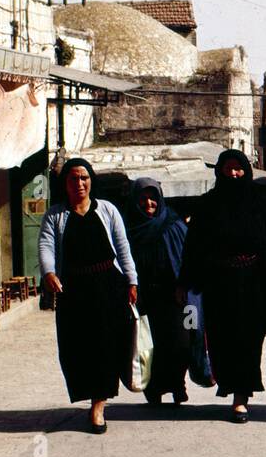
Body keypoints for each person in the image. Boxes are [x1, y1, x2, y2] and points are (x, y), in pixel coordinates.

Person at [179, 149, 266, 423]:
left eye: (238, 168)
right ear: (219, 171)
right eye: (227, 168)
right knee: (222, 340)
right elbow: (192, 247)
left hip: (254, 284)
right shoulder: (207, 205)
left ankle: (241, 397)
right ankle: (229, 386)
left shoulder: (261, 204)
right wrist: (185, 281)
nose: (233, 173)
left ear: (246, 170)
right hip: (219, 285)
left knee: (248, 340)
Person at [38, 157, 139, 433]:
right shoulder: (55, 215)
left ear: (91, 181)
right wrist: (48, 273)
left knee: (106, 347)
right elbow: (46, 245)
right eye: (73, 179)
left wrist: (132, 280)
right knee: (77, 348)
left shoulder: (107, 210)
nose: (79, 184)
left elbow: (123, 246)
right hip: (74, 291)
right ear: (65, 183)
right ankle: (89, 395)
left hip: (108, 287)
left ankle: (98, 407)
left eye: (84, 178)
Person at [125, 177, 190, 407]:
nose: (148, 203)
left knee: (180, 343)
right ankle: (154, 390)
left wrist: (183, 285)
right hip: (143, 297)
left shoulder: (174, 224)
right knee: (148, 346)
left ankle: (177, 384)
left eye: (153, 198)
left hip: (173, 297)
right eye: (143, 198)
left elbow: (187, 259)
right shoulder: (128, 228)